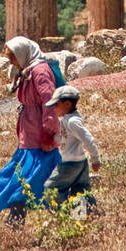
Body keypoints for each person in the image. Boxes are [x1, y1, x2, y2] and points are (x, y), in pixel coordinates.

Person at [0, 36, 61, 227]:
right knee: (41, 174)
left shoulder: (40, 72)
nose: (11, 61)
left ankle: (17, 210)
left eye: (13, 57)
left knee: (38, 175)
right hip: (30, 131)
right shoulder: (28, 70)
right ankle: (19, 210)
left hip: (40, 133)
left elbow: (50, 100)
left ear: (23, 54)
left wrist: (49, 130)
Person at [42, 84, 100, 212]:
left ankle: (64, 211)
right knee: (79, 190)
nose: (54, 108)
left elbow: (88, 139)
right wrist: (53, 140)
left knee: (50, 188)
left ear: (67, 104)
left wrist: (95, 159)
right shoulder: (69, 119)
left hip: (69, 163)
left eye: (56, 105)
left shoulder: (72, 121)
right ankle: (81, 216)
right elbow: (66, 138)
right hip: (80, 162)